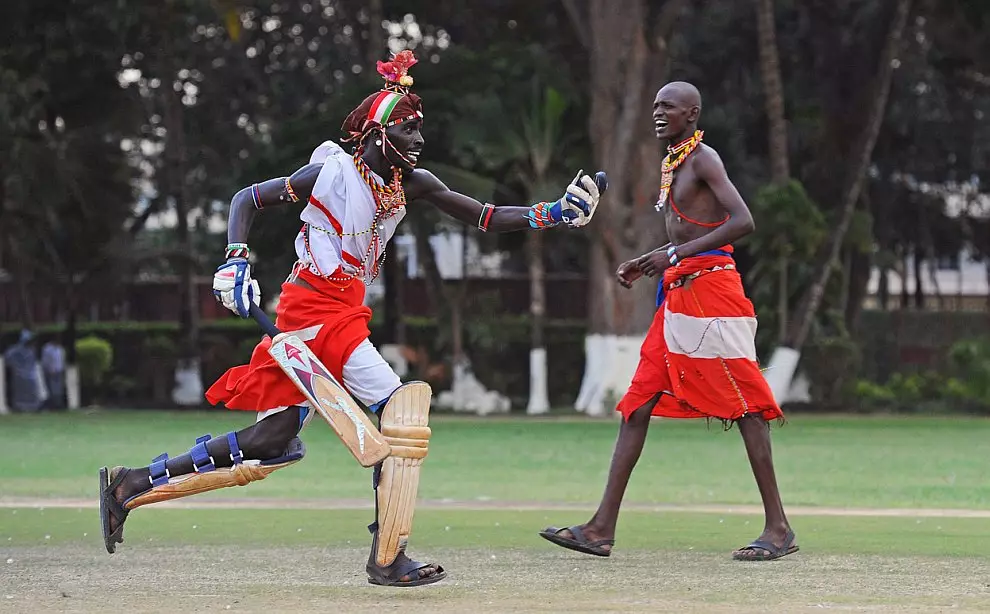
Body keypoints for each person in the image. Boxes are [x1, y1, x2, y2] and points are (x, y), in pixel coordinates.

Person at [98, 50, 605, 587]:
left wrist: (551, 213)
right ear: (376, 133)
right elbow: (245, 199)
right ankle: (388, 556)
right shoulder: (331, 172)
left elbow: (483, 216)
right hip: (313, 314)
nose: (419, 141)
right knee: (401, 416)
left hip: (340, 314)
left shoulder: (410, 183)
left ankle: (130, 484)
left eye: (419, 131)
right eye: (408, 130)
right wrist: (235, 257)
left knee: (272, 440)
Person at [539, 81, 797, 562]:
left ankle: (778, 528)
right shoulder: (672, 161)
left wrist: (674, 253)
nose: (658, 113)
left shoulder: (704, 159)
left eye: (668, 107)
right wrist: (647, 260)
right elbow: (691, 230)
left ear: (692, 114)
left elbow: (742, 221)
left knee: (746, 407)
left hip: (714, 294)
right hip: (678, 297)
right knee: (636, 404)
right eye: (655, 106)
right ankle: (600, 528)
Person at [4, 330, 43, 412]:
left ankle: (32, 407)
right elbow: (8, 359)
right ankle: (20, 407)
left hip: (30, 375)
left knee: (32, 392)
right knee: (20, 394)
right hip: (19, 376)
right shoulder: (15, 350)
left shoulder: (31, 350)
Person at [41, 337, 66, 410]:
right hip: (50, 372)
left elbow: (61, 360)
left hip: (59, 371)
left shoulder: (60, 349)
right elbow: (45, 360)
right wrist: (49, 369)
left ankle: (58, 404)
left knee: (58, 389)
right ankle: (52, 405)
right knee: (52, 389)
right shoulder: (47, 348)